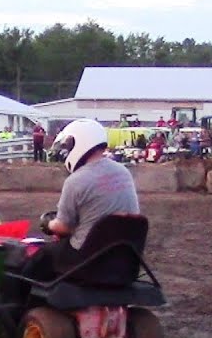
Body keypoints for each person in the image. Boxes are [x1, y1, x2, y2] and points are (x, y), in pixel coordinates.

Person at [22, 119, 139, 280]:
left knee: (42, 256)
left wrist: (48, 223)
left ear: (81, 143)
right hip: (125, 255)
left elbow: (63, 227)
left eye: (70, 146)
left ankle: (28, 302)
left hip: (88, 258)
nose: (68, 151)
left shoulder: (76, 180)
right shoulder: (123, 172)